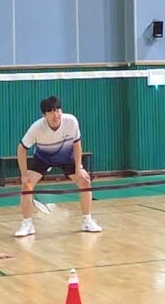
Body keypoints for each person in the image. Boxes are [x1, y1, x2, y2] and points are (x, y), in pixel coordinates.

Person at [14, 96, 102, 237]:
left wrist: (78, 168)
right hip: (43, 158)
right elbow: (21, 149)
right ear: (44, 115)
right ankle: (27, 224)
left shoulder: (71, 121)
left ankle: (87, 221)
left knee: (85, 181)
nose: (56, 115)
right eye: (51, 112)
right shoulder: (37, 127)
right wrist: (24, 174)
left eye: (57, 110)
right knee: (26, 186)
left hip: (67, 157)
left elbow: (77, 144)